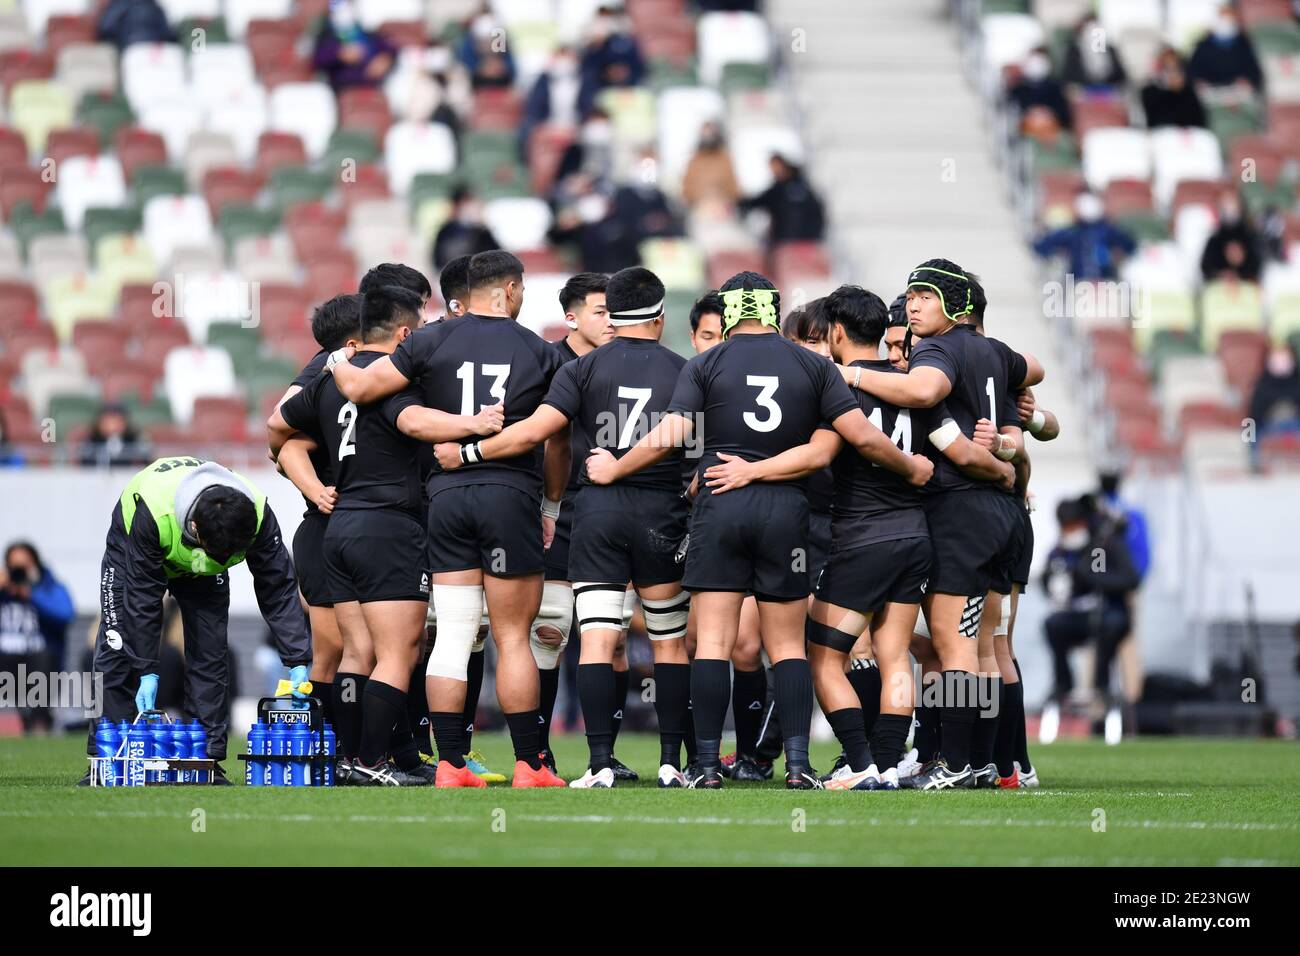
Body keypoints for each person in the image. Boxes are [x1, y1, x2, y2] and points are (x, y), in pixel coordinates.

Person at [585, 270, 933, 789]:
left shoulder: (706, 362)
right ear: (773, 309)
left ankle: (704, 765)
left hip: (722, 502)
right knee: (789, 647)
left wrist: (617, 466)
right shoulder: (813, 365)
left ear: (727, 313)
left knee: (714, 645)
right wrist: (910, 467)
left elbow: (675, 431)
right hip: (785, 510)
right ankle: (797, 766)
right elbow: (848, 438)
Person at [435, 267, 692, 788]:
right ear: (661, 318)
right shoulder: (687, 370)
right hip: (662, 514)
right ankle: (675, 762)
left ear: (613, 318)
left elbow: (536, 431)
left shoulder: (580, 369)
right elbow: (684, 434)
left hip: (595, 514)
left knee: (594, 638)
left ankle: (596, 763)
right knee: (669, 642)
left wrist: (469, 450)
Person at [326, 250, 570, 788]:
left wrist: (334, 360)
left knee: (454, 633)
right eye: (522, 288)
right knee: (511, 635)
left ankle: (451, 765)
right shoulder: (540, 351)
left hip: (446, 499)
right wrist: (550, 507)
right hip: (510, 494)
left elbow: (360, 388)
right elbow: (556, 443)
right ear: (508, 290)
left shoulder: (429, 340)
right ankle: (530, 764)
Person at [271, 286, 502, 785]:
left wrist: (313, 484)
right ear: (403, 333)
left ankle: (349, 757)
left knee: (357, 653)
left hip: (340, 526)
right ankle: (371, 761)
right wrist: (472, 423)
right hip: (389, 526)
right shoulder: (394, 380)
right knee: (400, 654)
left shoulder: (331, 380)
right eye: (418, 328)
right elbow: (413, 420)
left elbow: (277, 428)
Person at [839, 260, 1035, 789]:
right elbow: (1032, 370)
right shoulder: (992, 351)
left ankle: (958, 763)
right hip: (1001, 513)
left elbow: (924, 394)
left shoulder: (939, 348)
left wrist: (852, 374)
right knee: (982, 646)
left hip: (961, 510)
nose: (915, 306)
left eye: (925, 296)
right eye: (911, 296)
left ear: (955, 305)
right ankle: (992, 762)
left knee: (952, 646)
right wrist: (1019, 438)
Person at [79, 456, 312, 784]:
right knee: (117, 646)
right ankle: (107, 762)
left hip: (202, 571)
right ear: (196, 529)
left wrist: (298, 658)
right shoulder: (152, 513)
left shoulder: (256, 516)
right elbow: (142, 602)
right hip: (137, 547)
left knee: (210, 653)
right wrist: (147, 668)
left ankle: (203, 762)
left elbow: (278, 587)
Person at [529, 273, 619, 776]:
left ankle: (606, 755)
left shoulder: (627, 362)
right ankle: (540, 752)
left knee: (613, 636)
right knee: (551, 629)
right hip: (560, 512)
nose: (609, 321)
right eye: (600, 311)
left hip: (617, 510)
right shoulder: (547, 362)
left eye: (614, 311)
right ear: (572, 316)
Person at [270, 294, 362, 737]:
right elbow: (283, 439)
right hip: (326, 530)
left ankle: (367, 746)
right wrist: (315, 490)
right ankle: (327, 743)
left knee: (382, 647)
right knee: (333, 649)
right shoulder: (325, 376)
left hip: (368, 529)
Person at [1042, 496, 1140, 710]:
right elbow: (1049, 580)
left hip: (1108, 614)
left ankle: (1102, 685)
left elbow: (1126, 578)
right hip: (1077, 616)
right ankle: (1063, 684)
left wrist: (1090, 575)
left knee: (1109, 625)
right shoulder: (1060, 551)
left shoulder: (1102, 546)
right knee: (1053, 624)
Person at [4, 542, 74, 675]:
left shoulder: (49, 587)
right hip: (4, 663)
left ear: (35, 565)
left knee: (42, 659)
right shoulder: (4, 591)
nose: (19, 573)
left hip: (40, 667)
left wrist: (32, 594)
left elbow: (65, 614)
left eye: (24, 567)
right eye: (14, 568)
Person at [1032, 190, 1136, 281]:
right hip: (1089, 283)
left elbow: (1130, 246)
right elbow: (1043, 246)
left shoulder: (1105, 232)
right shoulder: (1105, 232)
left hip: (1093, 283)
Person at [737, 154, 826, 246]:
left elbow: (815, 213)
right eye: (772, 168)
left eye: (776, 166)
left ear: (784, 164)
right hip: (785, 243)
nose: (775, 171)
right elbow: (759, 201)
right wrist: (741, 203)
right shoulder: (777, 190)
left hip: (805, 243)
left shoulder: (802, 187)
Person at [311, 0, 396, 92]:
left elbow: (389, 43)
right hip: (344, 89)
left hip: (374, 87)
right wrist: (339, 53)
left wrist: (386, 58)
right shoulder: (323, 28)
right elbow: (316, 59)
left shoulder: (365, 23)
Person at [577, 4, 645, 113]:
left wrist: (623, 72)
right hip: (601, 89)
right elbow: (588, 70)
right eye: (602, 18)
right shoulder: (592, 44)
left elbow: (638, 66)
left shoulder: (626, 41)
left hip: (626, 88)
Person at [1187, 7, 1263, 95]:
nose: (1226, 24)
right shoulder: (1203, 46)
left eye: (1230, 20)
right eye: (1223, 20)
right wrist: (1198, 84)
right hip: (1210, 95)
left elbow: (1254, 72)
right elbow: (1192, 73)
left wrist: (1248, 82)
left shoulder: (1244, 45)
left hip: (1237, 95)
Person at [1201, 189, 1263, 283]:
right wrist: (1222, 275)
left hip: (1246, 286)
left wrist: (1239, 275)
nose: (1230, 209)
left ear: (1240, 208)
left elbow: (1257, 267)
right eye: (1225, 205)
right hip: (1220, 287)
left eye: (1233, 205)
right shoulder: (1214, 239)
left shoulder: (1251, 236)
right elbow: (1206, 269)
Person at [433, 188, 501, 271]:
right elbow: (439, 262)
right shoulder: (446, 231)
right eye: (467, 204)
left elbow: (497, 257)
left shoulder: (482, 231)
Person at [1007, 47, 1071, 133]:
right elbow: (1011, 103)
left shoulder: (1055, 87)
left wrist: (1047, 114)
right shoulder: (1020, 87)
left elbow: (1064, 116)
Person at [1141, 47, 1207, 129]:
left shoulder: (1189, 91)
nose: (1172, 74)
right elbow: (1155, 120)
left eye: (1175, 68)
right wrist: (1168, 90)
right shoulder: (1149, 91)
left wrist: (1180, 91)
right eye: (1167, 68)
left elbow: (1198, 121)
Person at [1060, 15, 1127, 95]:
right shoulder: (1074, 51)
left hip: (1110, 93)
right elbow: (1068, 78)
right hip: (1085, 94)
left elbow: (1121, 76)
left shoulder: (1110, 49)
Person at [1249, 343, 1300, 444]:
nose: (1281, 362)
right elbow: (1254, 414)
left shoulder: (1297, 383)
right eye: (1277, 358)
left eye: (1285, 358)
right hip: (1268, 426)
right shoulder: (1262, 385)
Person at [681, 121, 741, 208]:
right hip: (700, 209)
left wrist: (721, 197)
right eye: (705, 133)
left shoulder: (724, 159)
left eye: (710, 133)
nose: (708, 137)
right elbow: (686, 190)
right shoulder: (694, 161)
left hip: (723, 209)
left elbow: (734, 188)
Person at [78, 403, 149, 468]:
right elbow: (85, 463)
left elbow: (143, 461)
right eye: (107, 422)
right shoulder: (92, 440)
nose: (112, 426)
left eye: (117, 421)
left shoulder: (133, 440)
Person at [96, 0, 173, 50]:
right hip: (153, 50)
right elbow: (168, 33)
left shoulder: (119, 6)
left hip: (132, 49)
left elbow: (106, 28)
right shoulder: (154, 6)